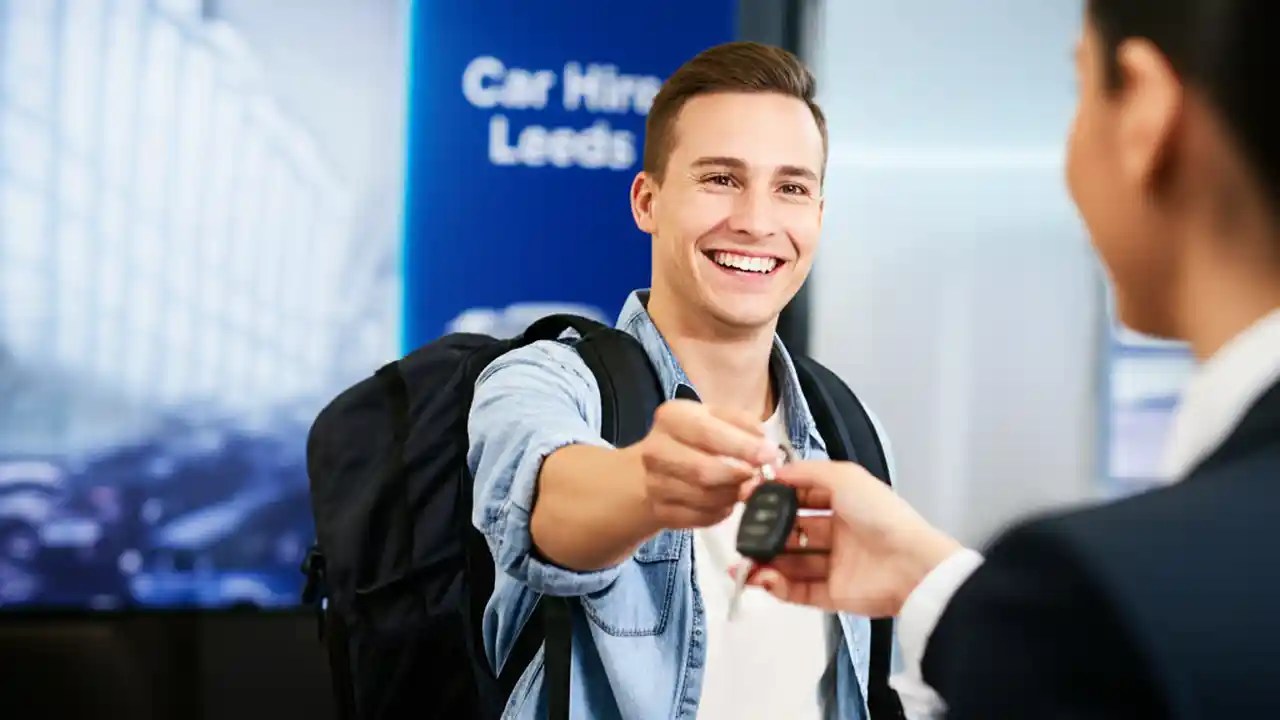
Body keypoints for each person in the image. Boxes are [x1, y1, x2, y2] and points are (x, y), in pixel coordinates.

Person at [745, 1, 1280, 717]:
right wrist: (927, 576)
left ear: (1145, 113)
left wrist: (1022, 621)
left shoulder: (1088, 602)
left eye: (1081, 90)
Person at [467, 42, 894, 719]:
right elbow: (551, 509)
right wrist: (649, 484)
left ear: (817, 213)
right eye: (721, 178)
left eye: (791, 187)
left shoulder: (845, 426)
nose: (757, 221)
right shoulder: (543, 382)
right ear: (648, 201)